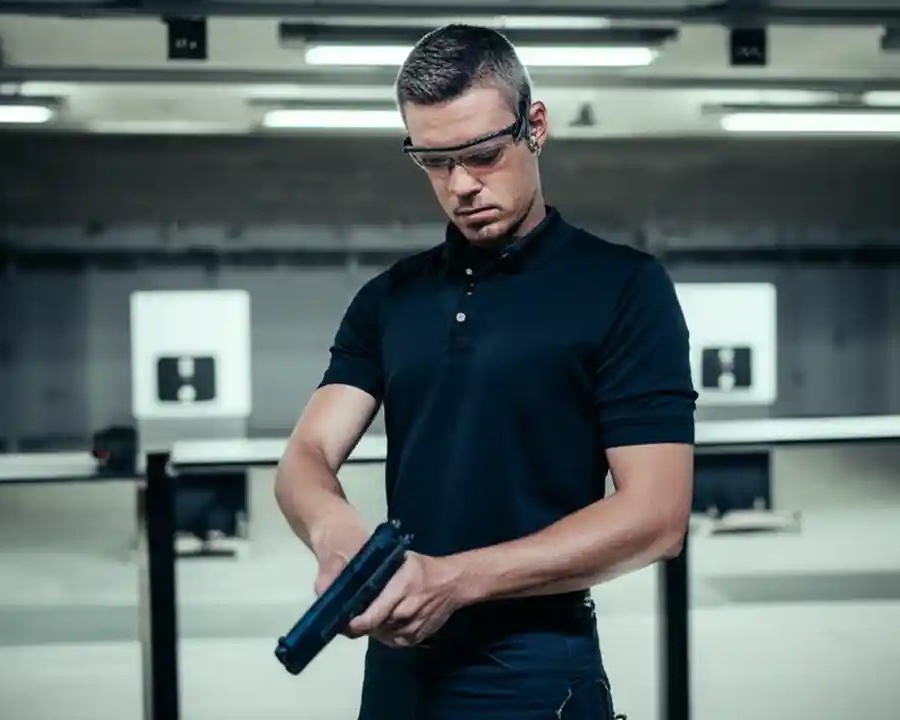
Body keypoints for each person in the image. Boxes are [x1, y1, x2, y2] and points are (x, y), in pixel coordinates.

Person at [274, 23, 697, 720]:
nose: (461, 185)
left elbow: (656, 515)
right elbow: (308, 453)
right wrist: (333, 530)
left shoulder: (624, 288)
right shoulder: (389, 298)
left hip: (536, 663)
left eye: (481, 154)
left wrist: (454, 580)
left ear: (535, 126)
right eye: (434, 162)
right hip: (398, 669)